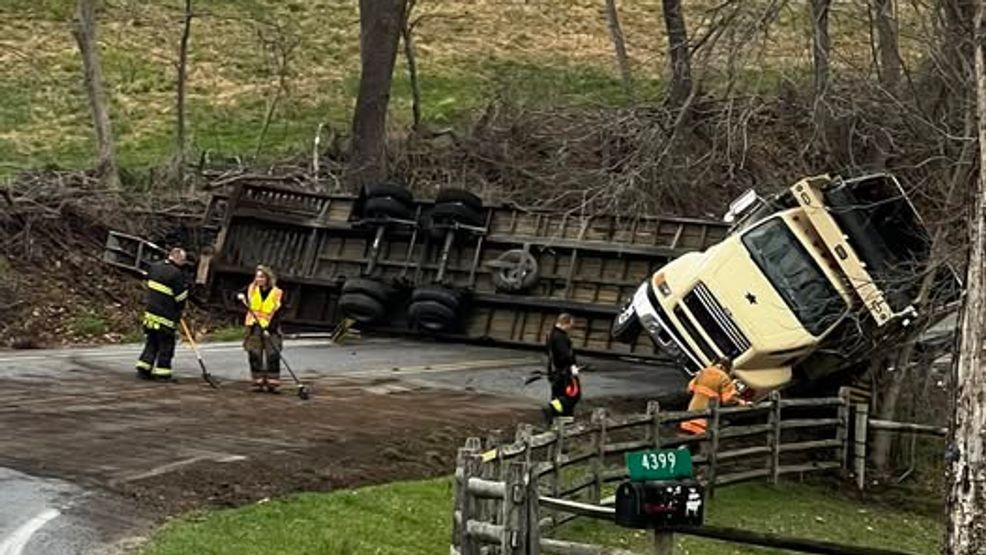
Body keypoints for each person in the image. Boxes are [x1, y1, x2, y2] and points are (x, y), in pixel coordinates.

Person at [135, 248, 188, 381]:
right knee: (166, 345)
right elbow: (180, 297)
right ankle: (163, 373)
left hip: (150, 314)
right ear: (179, 259)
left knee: (152, 341)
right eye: (183, 261)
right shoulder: (176, 274)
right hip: (166, 316)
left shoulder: (155, 267)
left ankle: (143, 368)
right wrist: (179, 310)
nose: (184, 263)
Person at [237, 265, 284, 393]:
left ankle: (273, 383)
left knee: (273, 354)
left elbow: (278, 313)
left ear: (268, 278)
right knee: (254, 353)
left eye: (262, 277)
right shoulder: (252, 289)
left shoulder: (276, 293)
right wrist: (240, 296)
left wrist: (270, 328)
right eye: (257, 277)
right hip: (254, 326)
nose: (259, 279)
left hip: (270, 327)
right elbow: (238, 293)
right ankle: (257, 381)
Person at [680, 357, 749, 436]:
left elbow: (690, 389)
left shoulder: (703, 372)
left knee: (684, 439)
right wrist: (741, 402)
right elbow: (728, 399)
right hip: (705, 423)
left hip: (690, 417)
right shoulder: (724, 378)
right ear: (727, 368)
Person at [542, 313, 582, 425]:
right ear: (566, 323)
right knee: (573, 395)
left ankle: (560, 419)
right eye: (571, 325)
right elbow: (565, 355)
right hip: (564, 372)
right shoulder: (560, 337)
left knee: (558, 395)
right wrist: (572, 366)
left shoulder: (551, 334)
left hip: (554, 371)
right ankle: (552, 411)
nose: (571, 328)